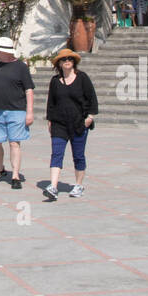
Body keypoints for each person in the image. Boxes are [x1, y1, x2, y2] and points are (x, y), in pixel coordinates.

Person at [43, 48, 98, 201]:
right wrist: (50, 120)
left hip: (79, 123)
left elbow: (92, 99)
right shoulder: (55, 81)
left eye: (70, 59)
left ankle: (78, 185)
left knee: (78, 156)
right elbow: (51, 103)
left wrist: (90, 117)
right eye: (63, 59)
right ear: (59, 64)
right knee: (56, 154)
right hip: (59, 124)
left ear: (74, 62)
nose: (67, 61)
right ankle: (53, 186)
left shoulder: (82, 78)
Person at [0, 36, 33, 191]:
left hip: (17, 110)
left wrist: (29, 112)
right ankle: (0, 169)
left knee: (14, 143)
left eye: (0, 51)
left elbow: (29, 90)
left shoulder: (21, 67)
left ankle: (15, 175)